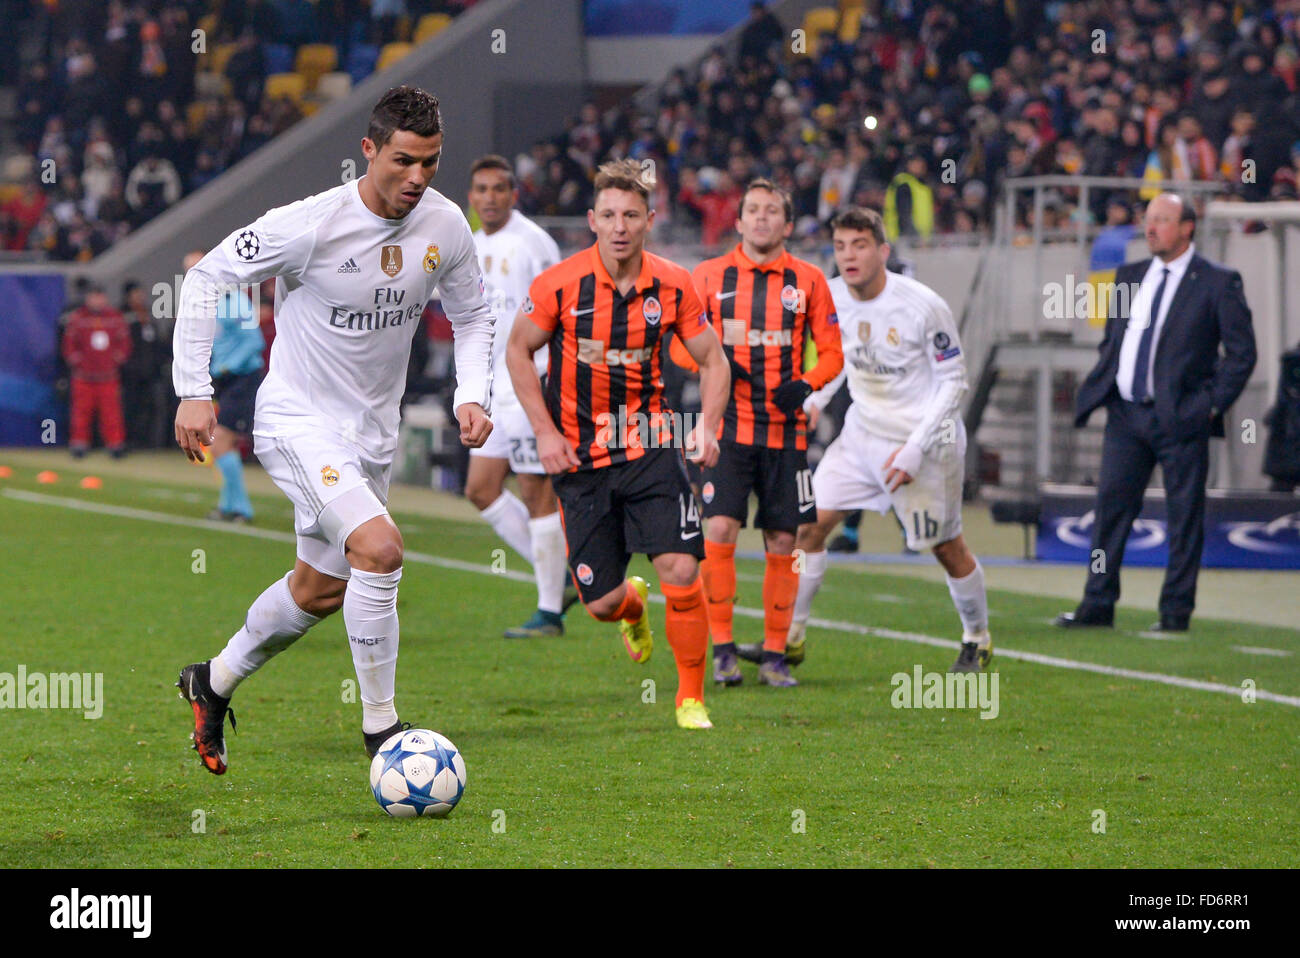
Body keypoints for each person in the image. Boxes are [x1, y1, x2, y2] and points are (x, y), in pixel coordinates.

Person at [172, 86, 495, 774]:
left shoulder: (445, 227)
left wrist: (474, 392)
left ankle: (213, 680)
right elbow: (205, 280)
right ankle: (383, 731)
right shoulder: (309, 224)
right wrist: (193, 391)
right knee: (379, 551)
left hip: (370, 438)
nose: (416, 178)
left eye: (430, 164)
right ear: (369, 151)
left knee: (318, 591)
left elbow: (472, 315)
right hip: (297, 422)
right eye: (403, 161)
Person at [505, 157, 730, 730]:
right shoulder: (559, 284)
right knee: (601, 605)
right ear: (592, 220)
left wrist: (708, 425)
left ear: (649, 219)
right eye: (609, 214)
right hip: (581, 459)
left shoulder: (674, 283)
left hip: (652, 446)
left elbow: (712, 359)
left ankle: (689, 698)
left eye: (631, 214)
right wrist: (547, 434)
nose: (620, 225)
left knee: (681, 566)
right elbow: (517, 351)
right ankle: (632, 606)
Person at [792, 207, 992, 674]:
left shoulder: (923, 305)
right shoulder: (832, 296)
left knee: (946, 547)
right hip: (861, 435)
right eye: (840, 247)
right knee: (808, 530)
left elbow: (954, 381)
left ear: (882, 251)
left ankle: (977, 635)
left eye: (859, 245)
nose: (848, 256)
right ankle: (790, 636)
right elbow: (836, 357)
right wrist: (815, 397)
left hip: (925, 442)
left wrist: (916, 448)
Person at [1056, 193, 1256, 633]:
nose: (1150, 228)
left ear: (1187, 227)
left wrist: (1208, 407)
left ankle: (1175, 612)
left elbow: (1241, 355)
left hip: (1181, 418)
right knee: (1109, 513)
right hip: (1126, 416)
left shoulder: (1218, 281)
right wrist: (1106, 385)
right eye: (1148, 220)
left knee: (1184, 516)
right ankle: (1097, 602)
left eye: (1162, 220)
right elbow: (1116, 341)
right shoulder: (1128, 275)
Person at [671, 178, 843, 688]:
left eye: (772, 211)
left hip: (786, 436)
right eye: (753, 210)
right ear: (739, 221)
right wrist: (715, 362)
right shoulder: (708, 276)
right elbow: (679, 348)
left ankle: (773, 654)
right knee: (719, 530)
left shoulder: (809, 280)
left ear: (787, 225)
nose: (762, 218)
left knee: (784, 539)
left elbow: (834, 352)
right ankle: (722, 649)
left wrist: (807, 384)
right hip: (725, 430)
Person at [462, 154, 576, 637]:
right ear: (471, 197)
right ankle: (565, 574)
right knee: (481, 489)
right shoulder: (467, 243)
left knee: (535, 492)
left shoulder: (534, 242)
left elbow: (563, 308)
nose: (490, 197)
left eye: (498, 189)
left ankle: (549, 611)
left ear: (513, 193)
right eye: (481, 189)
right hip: (489, 389)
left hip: (531, 381)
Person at [181, 248, 265, 523]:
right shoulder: (205, 303)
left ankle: (241, 508)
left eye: (197, 268)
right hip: (226, 380)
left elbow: (255, 342)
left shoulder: (235, 301)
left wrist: (228, 365)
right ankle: (229, 506)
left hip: (243, 377)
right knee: (220, 446)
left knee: (220, 444)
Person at [63, 285, 132, 458]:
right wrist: (77, 362)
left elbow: (124, 343)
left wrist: (116, 360)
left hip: (108, 376)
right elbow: (69, 345)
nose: (97, 301)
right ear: (88, 299)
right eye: (94, 297)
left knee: (112, 413)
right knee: (81, 412)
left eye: (100, 297)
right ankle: (79, 445)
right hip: (83, 377)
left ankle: (115, 445)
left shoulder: (115, 318)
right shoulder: (78, 318)